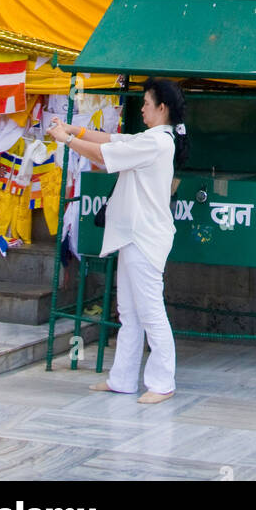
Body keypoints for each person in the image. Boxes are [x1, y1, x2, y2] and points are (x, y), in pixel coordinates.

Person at [49, 78, 188, 403]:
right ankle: (123, 379)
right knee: (129, 311)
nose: (141, 108)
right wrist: (74, 129)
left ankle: (162, 382)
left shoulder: (156, 143)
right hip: (132, 235)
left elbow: (103, 152)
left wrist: (67, 139)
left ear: (162, 108)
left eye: (146, 103)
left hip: (145, 237)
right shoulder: (151, 138)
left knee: (150, 311)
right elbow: (110, 138)